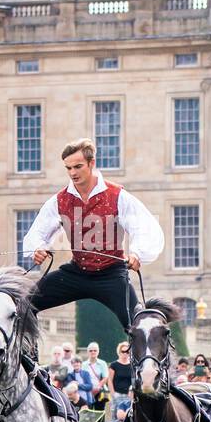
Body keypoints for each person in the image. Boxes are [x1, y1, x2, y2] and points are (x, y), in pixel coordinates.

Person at [21, 138, 163, 330]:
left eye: (78, 166)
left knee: (138, 326)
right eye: (68, 168)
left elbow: (144, 227)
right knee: (23, 306)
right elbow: (37, 232)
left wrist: (137, 253)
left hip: (112, 274)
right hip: (76, 272)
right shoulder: (59, 200)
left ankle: (146, 360)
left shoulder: (117, 195)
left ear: (91, 163)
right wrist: (38, 248)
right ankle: (29, 357)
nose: (72, 173)